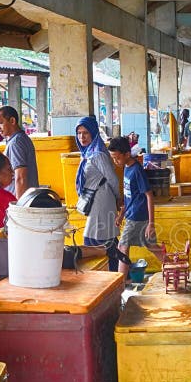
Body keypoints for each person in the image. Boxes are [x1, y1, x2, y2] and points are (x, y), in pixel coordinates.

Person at [108, 136, 166, 281]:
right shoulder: (127, 168)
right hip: (131, 215)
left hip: (137, 217)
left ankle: (120, 283)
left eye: (117, 158)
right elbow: (129, 197)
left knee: (122, 247)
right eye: (113, 159)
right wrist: (121, 215)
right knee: (152, 246)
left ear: (127, 154)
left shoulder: (136, 170)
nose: (115, 162)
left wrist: (151, 223)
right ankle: (173, 265)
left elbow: (149, 196)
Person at [75, 116, 122, 271]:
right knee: (102, 238)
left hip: (102, 200)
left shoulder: (98, 154)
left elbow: (113, 179)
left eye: (86, 133)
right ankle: (116, 275)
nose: (82, 137)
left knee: (95, 240)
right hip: (96, 201)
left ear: (94, 133)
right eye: (79, 133)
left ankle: (111, 277)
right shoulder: (89, 152)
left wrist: (118, 200)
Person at [0, 105, 38, 199]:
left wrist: (19, 207)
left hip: (21, 201)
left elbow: (21, 177)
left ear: (12, 121)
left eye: (1, 123)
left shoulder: (16, 143)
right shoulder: (22, 139)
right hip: (29, 198)